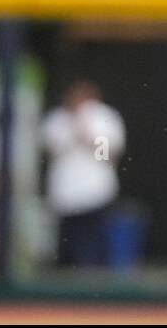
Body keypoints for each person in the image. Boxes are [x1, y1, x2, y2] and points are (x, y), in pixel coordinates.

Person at [41, 80, 125, 267]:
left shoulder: (105, 118)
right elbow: (53, 152)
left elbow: (105, 154)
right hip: (66, 196)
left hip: (96, 193)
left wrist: (86, 133)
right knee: (70, 246)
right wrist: (72, 129)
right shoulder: (57, 119)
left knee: (96, 243)